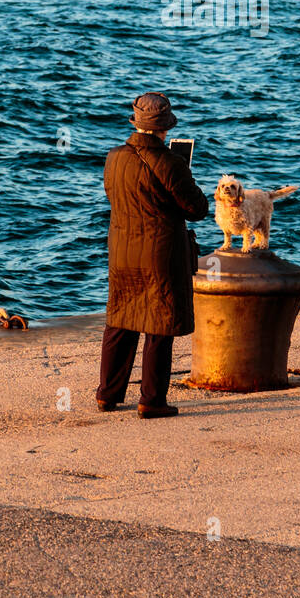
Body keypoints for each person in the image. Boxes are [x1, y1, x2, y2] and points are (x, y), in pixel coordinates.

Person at [97, 92, 208, 419]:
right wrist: (185, 174)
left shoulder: (113, 158)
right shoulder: (171, 163)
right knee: (159, 325)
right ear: (164, 129)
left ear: (136, 122)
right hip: (161, 253)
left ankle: (108, 394)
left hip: (122, 251)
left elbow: (114, 196)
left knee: (121, 320)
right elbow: (197, 208)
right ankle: (151, 400)